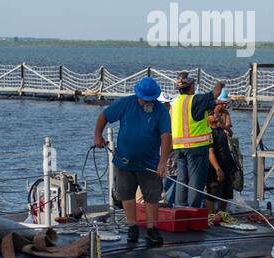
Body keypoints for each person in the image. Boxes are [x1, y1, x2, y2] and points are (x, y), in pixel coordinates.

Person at [94, 76, 172, 246]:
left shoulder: (161, 111)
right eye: (145, 100)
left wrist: (162, 162)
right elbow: (104, 116)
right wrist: (97, 136)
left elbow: (166, 136)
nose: (148, 103)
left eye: (151, 100)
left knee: (152, 196)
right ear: (139, 96)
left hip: (150, 163)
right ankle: (132, 227)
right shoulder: (125, 104)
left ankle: (152, 229)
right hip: (125, 161)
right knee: (126, 194)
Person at [168, 72, 226, 208]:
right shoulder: (195, 100)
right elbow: (215, 93)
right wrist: (221, 83)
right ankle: (192, 210)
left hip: (178, 148)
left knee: (182, 180)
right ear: (191, 87)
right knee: (196, 181)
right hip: (195, 147)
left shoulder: (176, 103)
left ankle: (181, 208)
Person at [206, 89, 239, 223]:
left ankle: (222, 215)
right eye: (211, 115)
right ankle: (209, 216)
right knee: (212, 191)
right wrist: (218, 169)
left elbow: (227, 143)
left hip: (226, 163)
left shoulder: (220, 130)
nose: (214, 116)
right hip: (215, 166)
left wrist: (232, 168)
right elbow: (210, 152)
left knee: (227, 191)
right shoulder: (208, 133)